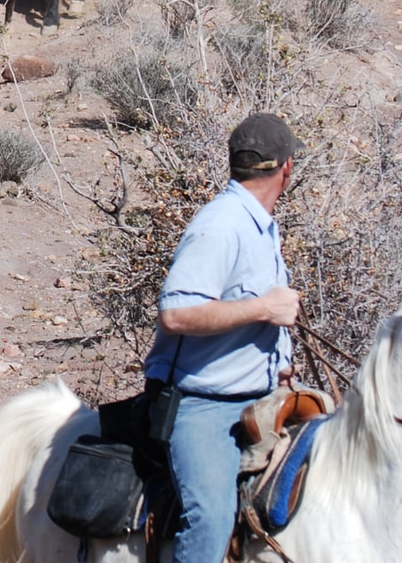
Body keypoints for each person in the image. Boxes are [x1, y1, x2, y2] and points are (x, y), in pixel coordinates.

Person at [142, 113, 304, 562]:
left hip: (259, 395)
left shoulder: (260, 224)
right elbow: (175, 314)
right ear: (286, 168)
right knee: (211, 517)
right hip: (202, 403)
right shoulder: (221, 225)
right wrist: (263, 308)